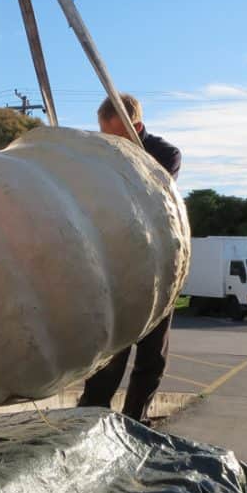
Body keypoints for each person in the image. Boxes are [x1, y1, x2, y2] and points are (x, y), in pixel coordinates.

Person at [77, 93, 181, 423]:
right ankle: (91, 414)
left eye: (118, 136)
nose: (112, 143)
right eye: (106, 136)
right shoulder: (100, 154)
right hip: (118, 265)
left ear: (136, 127)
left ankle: (136, 418)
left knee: (152, 352)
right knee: (111, 348)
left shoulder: (165, 154)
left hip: (158, 267)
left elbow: (147, 193)